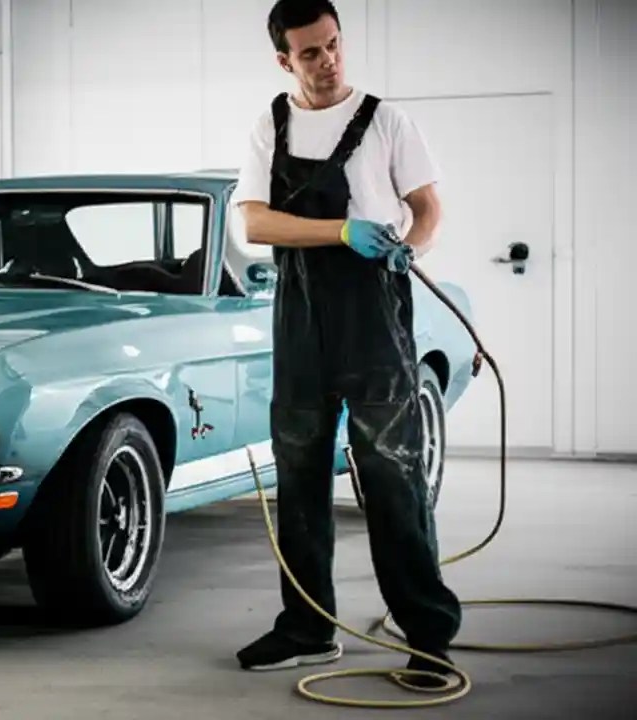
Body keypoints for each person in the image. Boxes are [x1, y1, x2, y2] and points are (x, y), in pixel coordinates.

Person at [231, 0, 462, 690]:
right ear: (284, 60)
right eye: (310, 53)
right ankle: (306, 630)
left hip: (372, 312)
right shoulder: (270, 126)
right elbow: (254, 224)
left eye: (333, 46)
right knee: (297, 473)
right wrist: (338, 232)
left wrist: (407, 249)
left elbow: (429, 208)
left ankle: (428, 637)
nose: (327, 61)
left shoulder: (388, 120)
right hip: (300, 310)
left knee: (393, 476)